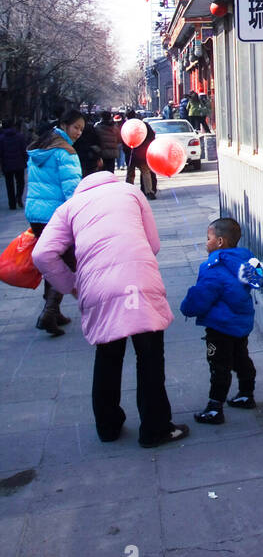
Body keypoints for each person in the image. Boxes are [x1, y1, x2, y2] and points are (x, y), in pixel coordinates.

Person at [31, 171, 189, 447]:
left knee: (108, 355)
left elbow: (41, 254)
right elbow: (153, 244)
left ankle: (108, 426)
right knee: (149, 356)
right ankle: (155, 429)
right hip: (139, 282)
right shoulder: (130, 192)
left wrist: (70, 284)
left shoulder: (69, 207)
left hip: (98, 288)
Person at [180, 217, 262, 425]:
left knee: (218, 365)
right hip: (240, 325)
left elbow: (201, 297)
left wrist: (186, 307)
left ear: (219, 242)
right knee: (240, 357)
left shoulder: (212, 268)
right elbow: (258, 281)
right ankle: (246, 393)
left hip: (219, 328)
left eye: (208, 238)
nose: (205, 242)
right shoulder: (246, 259)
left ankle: (215, 408)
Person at [24, 109, 84, 335]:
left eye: (81, 129)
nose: (78, 132)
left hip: (37, 214)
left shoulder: (42, 146)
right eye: (76, 127)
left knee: (51, 260)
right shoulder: (64, 152)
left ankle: (53, 311)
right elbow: (72, 189)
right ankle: (49, 313)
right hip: (55, 214)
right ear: (65, 124)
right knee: (67, 263)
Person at [125, 115, 157, 199]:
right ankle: (149, 191)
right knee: (146, 172)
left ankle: (128, 191)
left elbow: (123, 140)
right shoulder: (145, 126)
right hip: (143, 153)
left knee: (130, 174)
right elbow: (152, 137)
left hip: (132, 153)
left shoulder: (128, 127)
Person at [0, 118, 28, 209]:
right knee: (20, 182)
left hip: (7, 164)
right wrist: (25, 161)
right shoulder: (20, 136)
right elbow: (24, 150)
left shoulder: (1, 138)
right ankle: (18, 197)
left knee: (9, 184)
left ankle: (12, 204)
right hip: (19, 163)